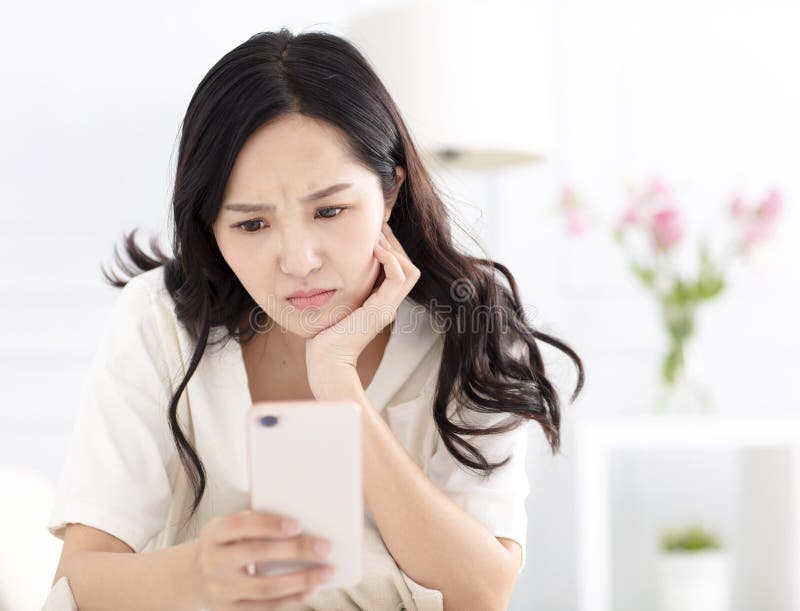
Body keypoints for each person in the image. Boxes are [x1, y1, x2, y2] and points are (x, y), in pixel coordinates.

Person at [44, 28, 584, 611]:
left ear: (391, 188)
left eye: (330, 210)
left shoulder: (468, 327)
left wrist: (339, 384)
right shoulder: (158, 319)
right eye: (252, 225)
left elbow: (481, 593)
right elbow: (76, 585)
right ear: (209, 227)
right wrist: (199, 574)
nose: (299, 261)